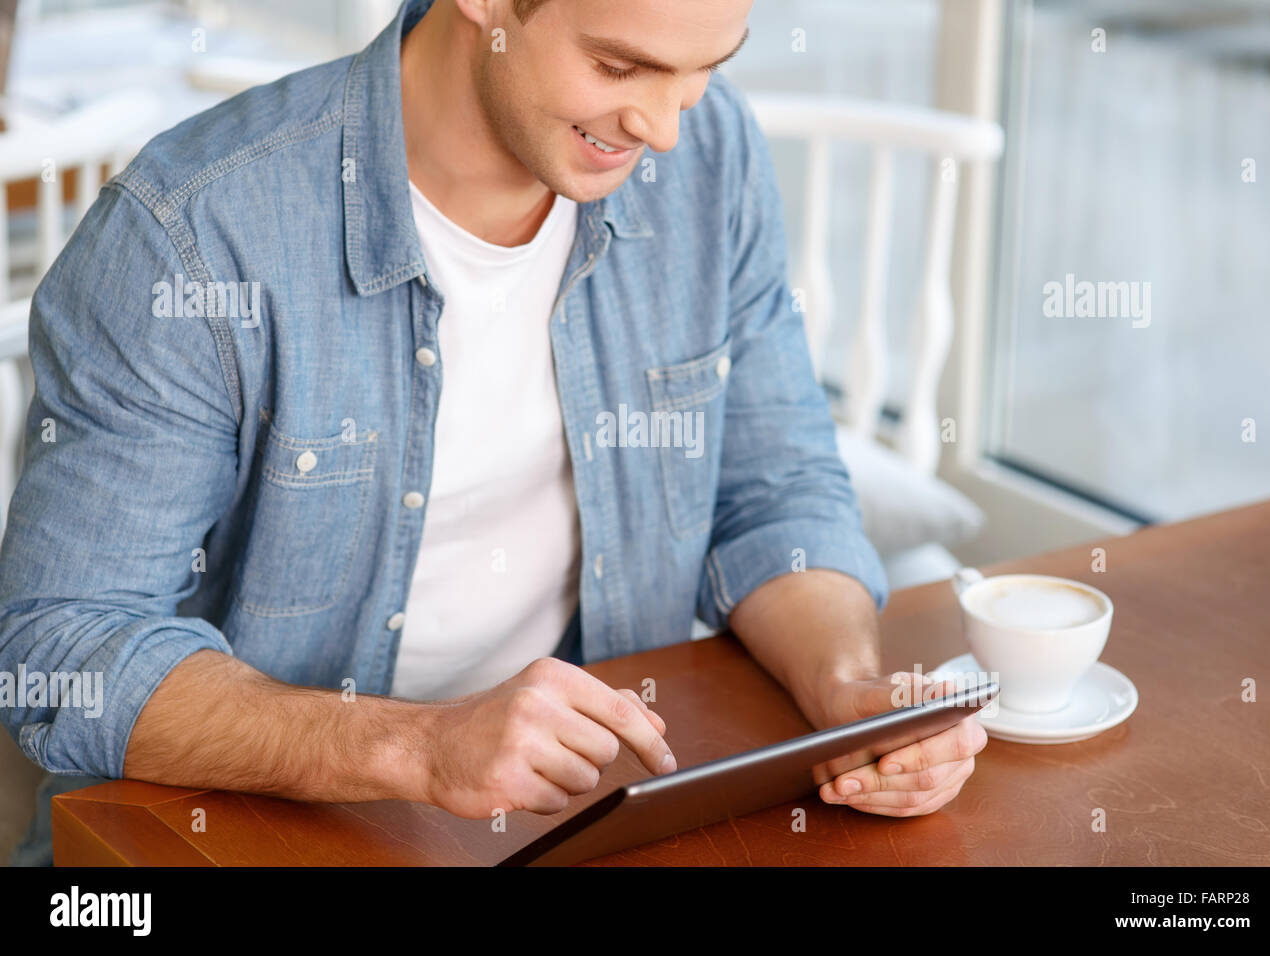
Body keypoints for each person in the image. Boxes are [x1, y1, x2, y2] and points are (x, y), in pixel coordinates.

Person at [0, 0, 986, 865]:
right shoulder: (193, 233)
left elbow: (775, 493)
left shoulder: (710, 158)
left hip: (579, 817)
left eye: (702, 69)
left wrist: (847, 689)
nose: (661, 128)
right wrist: (422, 746)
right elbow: (64, 649)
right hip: (240, 830)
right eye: (617, 65)